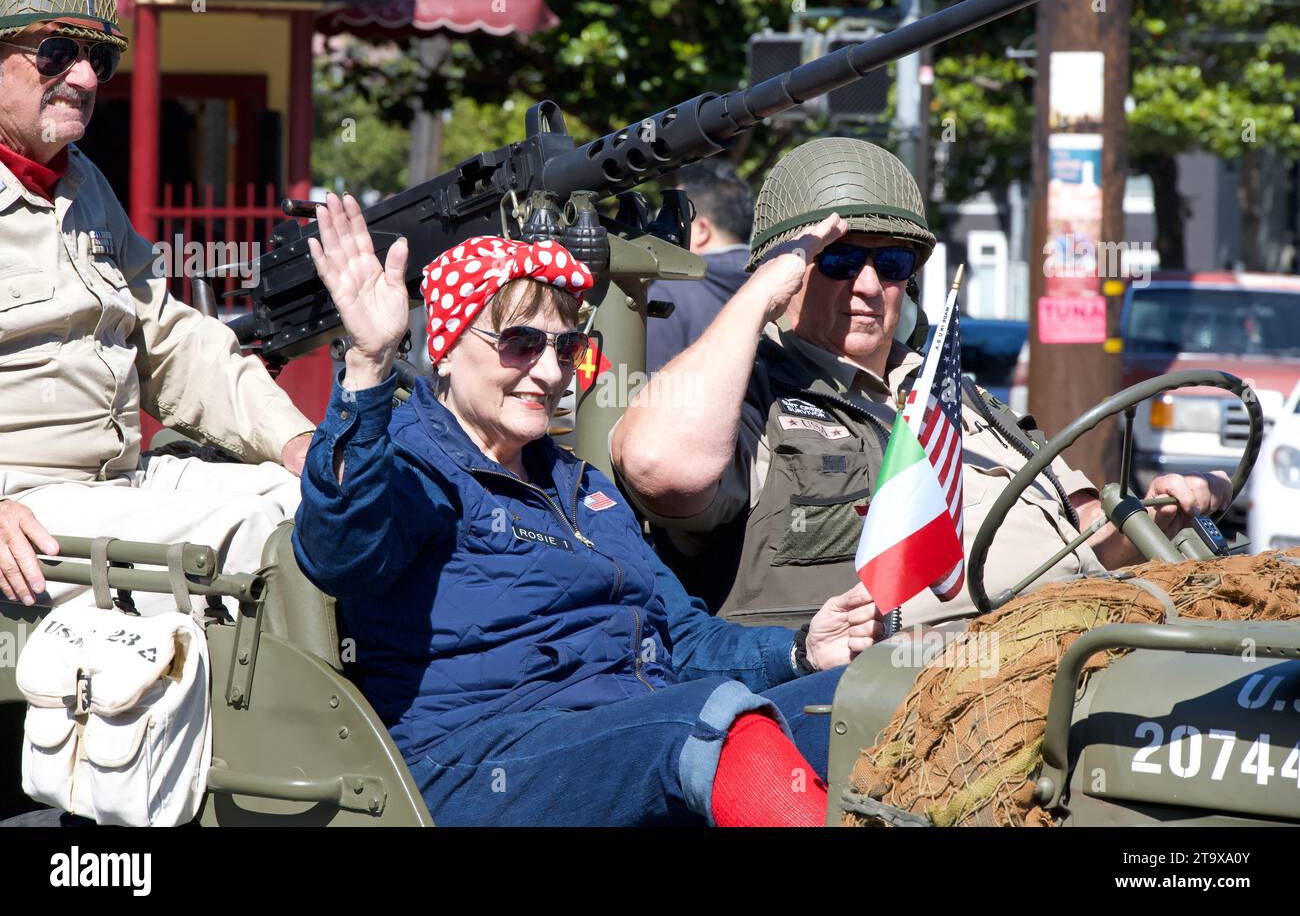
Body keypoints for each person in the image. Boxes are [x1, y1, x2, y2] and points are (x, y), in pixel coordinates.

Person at [291, 192, 884, 826]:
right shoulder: (410, 467)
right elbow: (341, 551)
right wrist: (370, 364)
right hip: (475, 761)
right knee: (706, 721)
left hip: (625, 731)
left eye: (566, 348)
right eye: (519, 343)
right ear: (443, 345)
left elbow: (679, 637)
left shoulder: (580, 484)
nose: (548, 372)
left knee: (868, 702)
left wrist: (799, 654)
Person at [610, 137, 1230, 629]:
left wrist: (1167, 512)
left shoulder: (956, 394)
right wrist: (758, 297)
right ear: (786, 269)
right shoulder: (754, 395)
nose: (868, 284)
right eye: (840, 260)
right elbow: (660, 468)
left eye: (893, 263)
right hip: (887, 715)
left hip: (1067, 651)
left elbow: (1094, 540)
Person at [0, 0, 314, 613]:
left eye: (100, 61)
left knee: (314, 501)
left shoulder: (83, 186)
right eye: (57, 52)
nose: (84, 78)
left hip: (118, 482)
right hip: (22, 511)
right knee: (242, 540)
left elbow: (169, 337)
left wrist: (293, 440)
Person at [646, 160, 754, 373]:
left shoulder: (670, 293)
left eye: (670, 217)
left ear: (702, 230)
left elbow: (640, 393)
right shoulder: (778, 286)